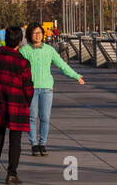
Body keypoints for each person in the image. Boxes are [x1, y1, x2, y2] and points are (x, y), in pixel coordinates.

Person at [0, 25, 34, 184]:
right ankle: (12, 174)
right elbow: (28, 87)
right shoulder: (23, 62)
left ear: (4, 39)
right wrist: (26, 103)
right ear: (20, 41)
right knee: (15, 140)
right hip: (16, 104)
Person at [19, 22, 84, 156]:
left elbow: (62, 65)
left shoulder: (49, 50)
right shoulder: (24, 51)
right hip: (30, 89)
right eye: (35, 33)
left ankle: (42, 143)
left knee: (45, 117)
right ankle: (34, 144)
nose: (38, 35)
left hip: (47, 88)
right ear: (29, 35)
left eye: (40, 33)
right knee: (32, 117)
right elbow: (17, 68)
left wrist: (76, 76)